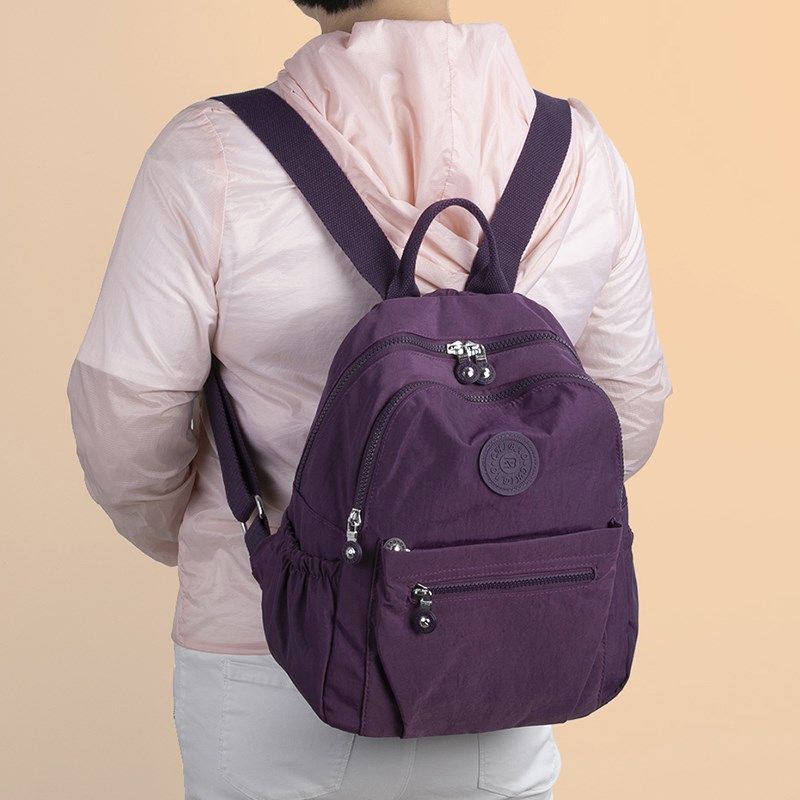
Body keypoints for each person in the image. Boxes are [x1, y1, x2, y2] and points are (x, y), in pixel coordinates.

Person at [67, 0, 672, 797]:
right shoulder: (579, 154)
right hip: (509, 652)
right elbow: (628, 411)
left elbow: (123, 415)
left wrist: (218, 542)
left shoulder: (213, 154)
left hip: (271, 654)